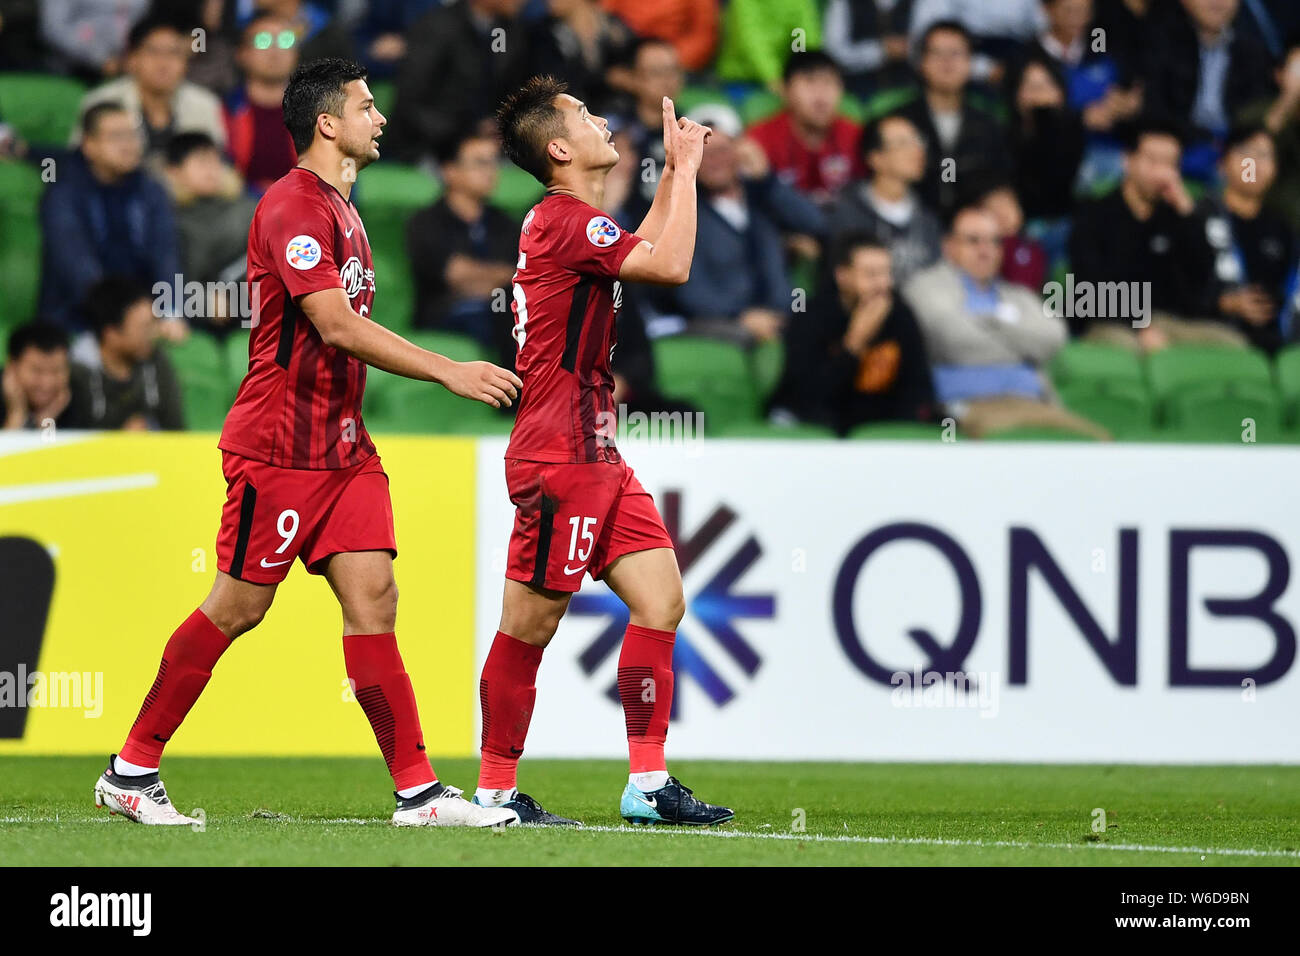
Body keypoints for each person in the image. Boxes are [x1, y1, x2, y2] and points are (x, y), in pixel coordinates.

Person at [91, 58, 523, 828]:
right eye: (365, 106)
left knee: (376, 600)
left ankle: (418, 792)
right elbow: (334, 324)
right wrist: (447, 370)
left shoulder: (346, 209)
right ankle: (132, 769)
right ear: (327, 123)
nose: (380, 118)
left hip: (343, 451)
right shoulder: (294, 205)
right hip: (279, 449)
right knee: (238, 607)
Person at [476, 74, 732, 826]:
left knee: (662, 600)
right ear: (559, 147)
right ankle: (494, 791)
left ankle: (648, 785)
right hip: (559, 456)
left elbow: (646, 247)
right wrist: (683, 171)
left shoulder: (576, 222)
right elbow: (671, 266)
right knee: (530, 625)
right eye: (585, 115)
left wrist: (673, 169)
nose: (601, 120)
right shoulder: (560, 219)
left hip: (596, 452)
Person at [903, 205, 1106, 439]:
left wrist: (988, 322)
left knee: (1097, 441)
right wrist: (1025, 350)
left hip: (1035, 403)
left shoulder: (1018, 295)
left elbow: (1054, 339)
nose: (985, 250)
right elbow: (954, 340)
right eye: (973, 241)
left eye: (994, 242)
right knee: (1015, 442)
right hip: (967, 406)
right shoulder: (924, 287)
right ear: (948, 247)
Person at [1069, 120, 1237, 349]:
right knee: (1131, 347)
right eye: (1153, 160)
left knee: (1232, 345)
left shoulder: (1177, 216)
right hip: (1109, 322)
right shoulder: (1094, 214)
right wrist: (1138, 324)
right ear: (1127, 160)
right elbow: (1089, 287)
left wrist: (1188, 212)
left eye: (1170, 163)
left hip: (1169, 322)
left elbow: (1204, 276)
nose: (1161, 171)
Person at [671, 103, 826, 344]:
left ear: (740, 150)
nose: (715, 161)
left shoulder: (763, 197)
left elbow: (816, 223)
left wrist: (767, 179)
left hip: (785, 316)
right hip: (728, 324)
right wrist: (740, 316)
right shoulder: (684, 212)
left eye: (723, 151)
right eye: (704, 154)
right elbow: (690, 292)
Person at [39, 102, 182, 337]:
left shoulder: (151, 190)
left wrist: (171, 311)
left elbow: (165, 255)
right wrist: (123, 318)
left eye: (133, 135)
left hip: (143, 316)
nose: (129, 145)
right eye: (117, 137)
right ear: (89, 145)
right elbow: (77, 266)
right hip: (76, 318)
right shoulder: (62, 194)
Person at [770, 233, 935, 433]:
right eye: (871, 274)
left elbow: (918, 386)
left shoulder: (900, 313)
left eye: (886, 273)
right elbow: (806, 395)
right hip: (819, 420)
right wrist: (853, 345)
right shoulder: (809, 316)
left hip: (877, 424)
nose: (883, 284)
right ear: (842, 276)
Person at [406, 131, 519, 356]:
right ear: (450, 171)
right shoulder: (426, 221)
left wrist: (492, 281)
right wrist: (502, 279)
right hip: (445, 315)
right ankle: (519, 389)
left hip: (498, 308)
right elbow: (455, 276)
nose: (491, 170)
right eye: (480, 163)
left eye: (494, 161)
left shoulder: (505, 222)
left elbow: (522, 276)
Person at [387, 0, 532, 163]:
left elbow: (513, 90)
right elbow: (411, 103)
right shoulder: (437, 27)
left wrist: (504, 126)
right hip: (429, 148)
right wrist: (467, 132)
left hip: (494, 147)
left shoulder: (507, 31)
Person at [73, 14, 226, 161]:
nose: (163, 63)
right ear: (132, 59)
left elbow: (217, 165)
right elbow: (78, 163)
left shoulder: (205, 105)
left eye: (174, 53)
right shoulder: (101, 102)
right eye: (153, 52)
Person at [895, 20, 1010, 217]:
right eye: (938, 53)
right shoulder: (900, 122)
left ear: (970, 62)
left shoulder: (988, 124)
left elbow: (999, 183)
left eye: (956, 53)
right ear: (922, 62)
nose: (947, 62)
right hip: (913, 226)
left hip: (971, 228)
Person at [1201, 125, 1295, 352]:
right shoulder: (1198, 218)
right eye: (1247, 153)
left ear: (1275, 169)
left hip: (1278, 339)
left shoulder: (1283, 228)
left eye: (1265, 156)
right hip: (1214, 332)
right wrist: (1224, 303)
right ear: (1223, 163)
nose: (1254, 164)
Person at [162, 132, 259, 337]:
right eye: (201, 162)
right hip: (192, 320)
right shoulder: (166, 219)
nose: (212, 169)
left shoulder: (248, 209)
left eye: (215, 161)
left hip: (251, 311)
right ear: (174, 172)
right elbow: (166, 275)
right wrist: (204, 302)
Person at [828, 112, 942, 285]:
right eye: (903, 143)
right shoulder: (846, 213)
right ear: (875, 158)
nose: (917, 150)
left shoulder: (927, 217)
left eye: (918, 141)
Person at [745, 50, 866, 206]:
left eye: (829, 83)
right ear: (785, 89)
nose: (821, 96)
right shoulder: (759, 140)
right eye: (809, 82)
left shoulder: (856, 137)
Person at [66, 277, 185, 431]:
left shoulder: (158, 362)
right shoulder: (75, 373)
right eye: (144, 328)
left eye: (154, 324)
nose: (154, 334)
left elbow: (176, 431)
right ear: (111, 334)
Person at [224, 14, 300, 195]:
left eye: (285, 41)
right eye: (263, 41)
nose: (275, 51)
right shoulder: (224, 110)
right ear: (242, 54)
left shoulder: (317, 110)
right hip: (239, 211)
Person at [823, 0, 917, 98]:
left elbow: (928, 43)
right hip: (855, 98)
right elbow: (834, 53)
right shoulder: (843, 3)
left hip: (909, 93)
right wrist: (880, 50)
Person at [599, 0, 718, 73]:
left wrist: (670, 60)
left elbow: (703, 33)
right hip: (627, 57)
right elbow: (605, 17)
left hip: (676, 61)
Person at [2, 323, 73, 432]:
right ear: (12, 367)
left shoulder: (80, 395)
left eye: (56, 371)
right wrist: (16, 414)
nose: (47, 383)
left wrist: (46, 421)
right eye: (37, 371)